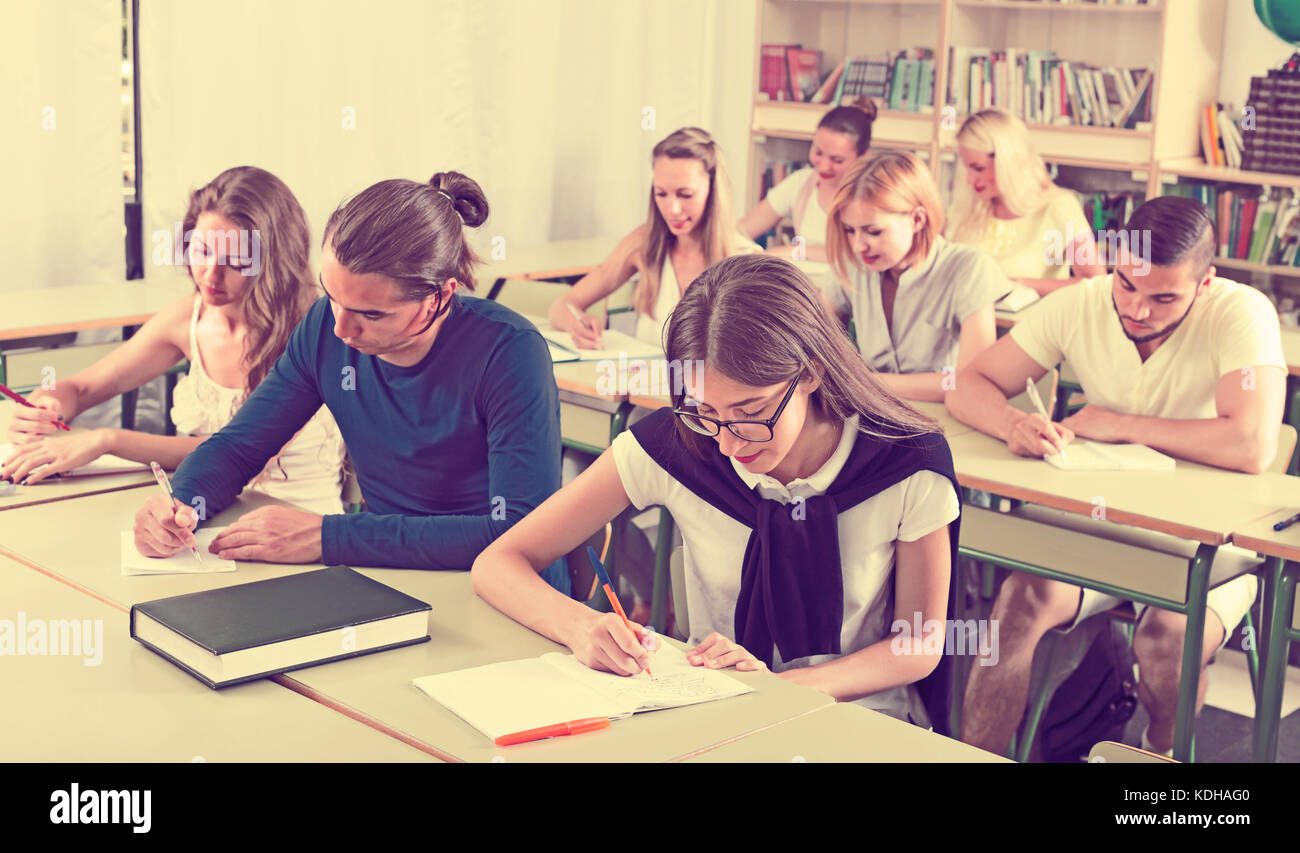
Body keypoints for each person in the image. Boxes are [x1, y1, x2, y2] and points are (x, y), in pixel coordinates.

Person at [473, 254, 964, 731]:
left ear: (811, 371)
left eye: (752, 413)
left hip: (857, 719)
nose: (727, 444)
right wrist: (580, 626)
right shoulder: (680, 442)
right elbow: (499, 563)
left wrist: (781, 687)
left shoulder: (906, 464)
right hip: (709, 713)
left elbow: (919, 643)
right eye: (706, 411)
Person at [946, 196, 1286, 756]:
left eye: (1164, 297)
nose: (1138, 308)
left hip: (1213, 540)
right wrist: (1012, 424)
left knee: (1164, 641)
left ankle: (1157, 762)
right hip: (1102, 523)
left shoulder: (1241, 312)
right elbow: (968, 383)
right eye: (1126, 284)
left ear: (1206, 284)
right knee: (1015, 607)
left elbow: (1251, 445)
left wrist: (1118, 424)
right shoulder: (1082, 302)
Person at [130, 171, 568, 591]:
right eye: (332, 295)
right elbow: (240, 448)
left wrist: (328, 538)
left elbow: (519, 530)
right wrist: (183, 503)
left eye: (371, 313)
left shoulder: (510, 352)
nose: (342, 329)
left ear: (441, 297)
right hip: (395, 577)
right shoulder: (325, 325)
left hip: (506, 593)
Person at [2, 166, 345, 515]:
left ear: (272, 261)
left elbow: (242, 450)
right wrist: (47, 406)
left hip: (296, 524)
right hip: (205, 514)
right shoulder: (190, 317)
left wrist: (108, 439)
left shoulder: (313, 330)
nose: (211, 274)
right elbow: (84, 387)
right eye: (202, 251)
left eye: (235, 261)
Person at [546, 127, 757, 349]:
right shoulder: (643, 243)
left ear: (714, 191)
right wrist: (577, 324)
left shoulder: (747, 261)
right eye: (661, 194)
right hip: (641, 381)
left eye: (685, 195)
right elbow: (561, 306)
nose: (672, 209)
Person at [826, 150, 1007, 403]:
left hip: (944, 425)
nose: (858, 246)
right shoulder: (854, 263)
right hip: (873, 415)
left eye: (873, 232)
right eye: (849, 230)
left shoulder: (969, 268)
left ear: (918, 219)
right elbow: (813, 344)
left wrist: (864, 381)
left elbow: (970, 383)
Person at [945, 108, 1106, 295]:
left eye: (978, 168)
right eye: (967, 168)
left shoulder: (1059, 206)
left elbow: (1095, 283)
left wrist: (1019, 285)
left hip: (1029, 323)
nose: (970, 179)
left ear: (1008, 162)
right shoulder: (968, 207)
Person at [738, 97, 877, 262]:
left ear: (863, 156)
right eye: (818, 152)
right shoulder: (801, 183)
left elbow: (853, 256)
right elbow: (741, 231)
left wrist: (793, 251)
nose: (824, 167)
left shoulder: (874, 195)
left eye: (837, 160)